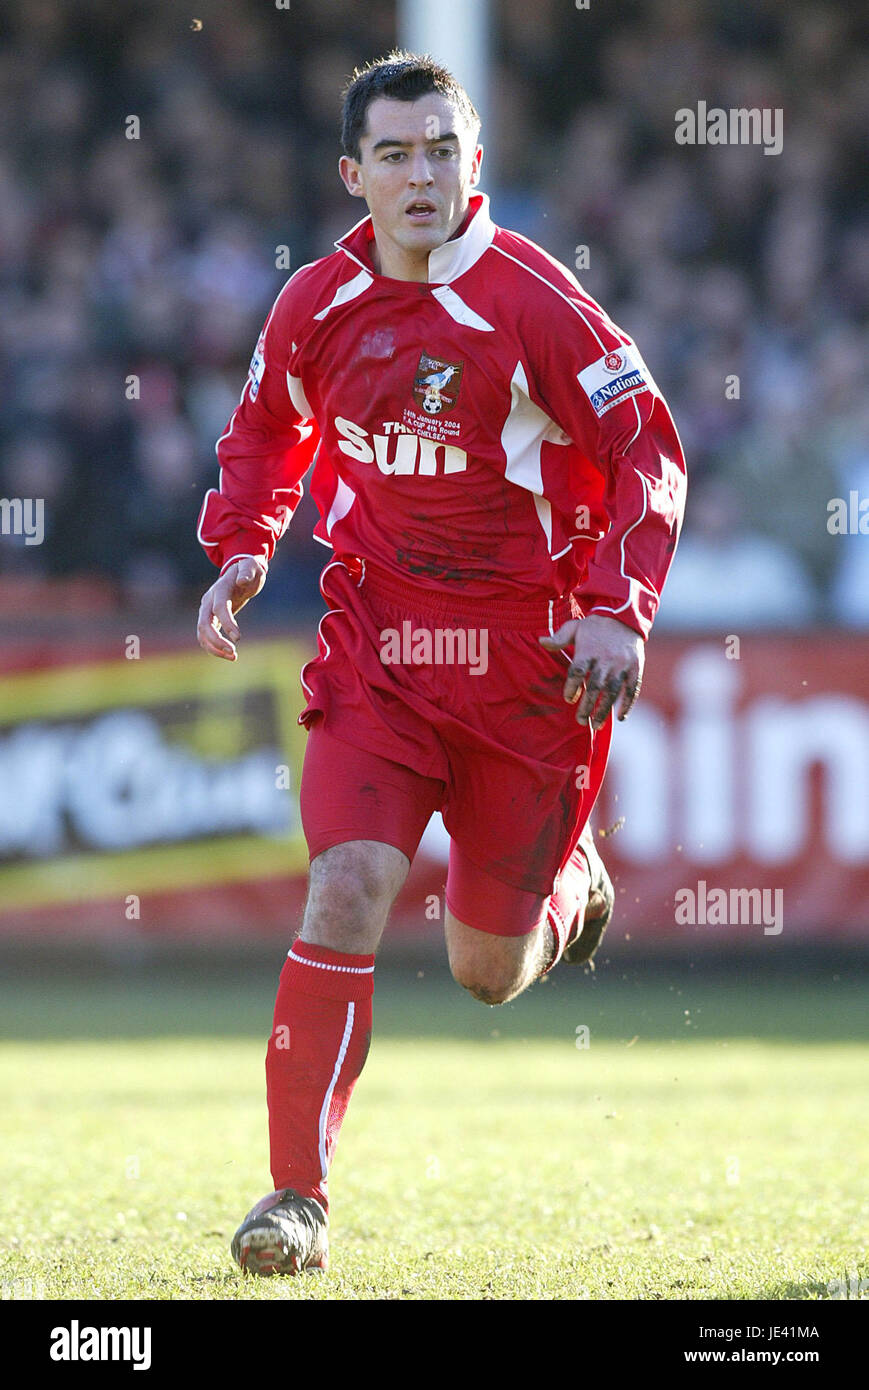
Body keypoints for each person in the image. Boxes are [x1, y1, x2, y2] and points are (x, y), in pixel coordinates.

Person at [195, 51, 686, 1276]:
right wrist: (245, 544)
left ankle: (566, 884)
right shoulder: (314, 304)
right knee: (345, 887)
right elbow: (266, 429)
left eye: (442, 151)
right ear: (352, 174)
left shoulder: (535, 301)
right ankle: (295, 1198)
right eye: (396, 155)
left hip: (529, 674)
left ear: (475, 165)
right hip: (380, 650)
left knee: (485, 973)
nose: (422, 176)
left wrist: (617, 610)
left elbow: (648, 448)